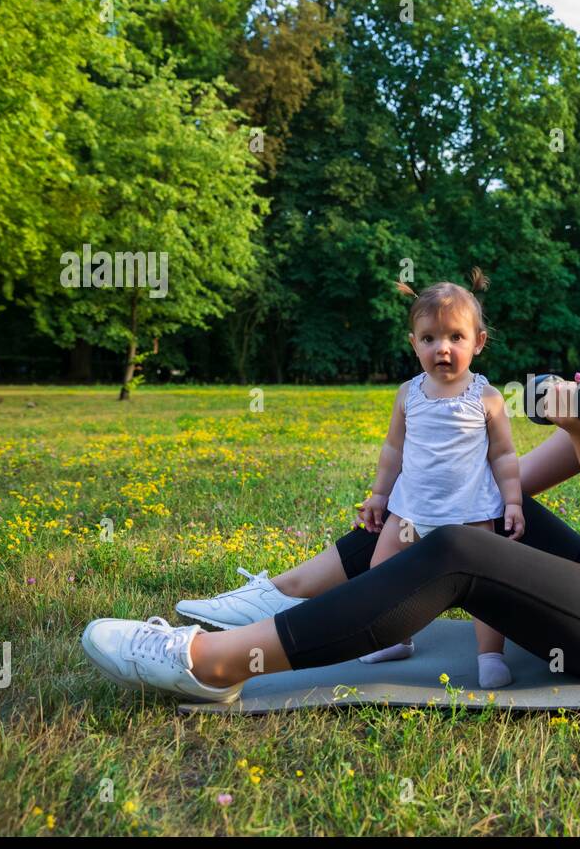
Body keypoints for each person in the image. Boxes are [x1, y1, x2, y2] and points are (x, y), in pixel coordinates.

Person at [80, 228, 580, 703]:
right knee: (446, 504)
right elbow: (508, 483)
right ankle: (283, 593)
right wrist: (429, 485)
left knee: (458, 548)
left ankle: (213, 664)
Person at [175, 268, 524, 689]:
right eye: (429, 338)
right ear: (414, 343)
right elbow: (393, 451)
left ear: (478, 342)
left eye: (455, 337)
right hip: (410, 513)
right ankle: (398, 638)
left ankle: (489, 654)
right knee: (382, 575)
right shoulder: (408, 394)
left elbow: (503, 454)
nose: (442, 349)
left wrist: (513, 501)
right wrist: (379, 495)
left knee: (483, 590)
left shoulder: (486, 397)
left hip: (471, 513)